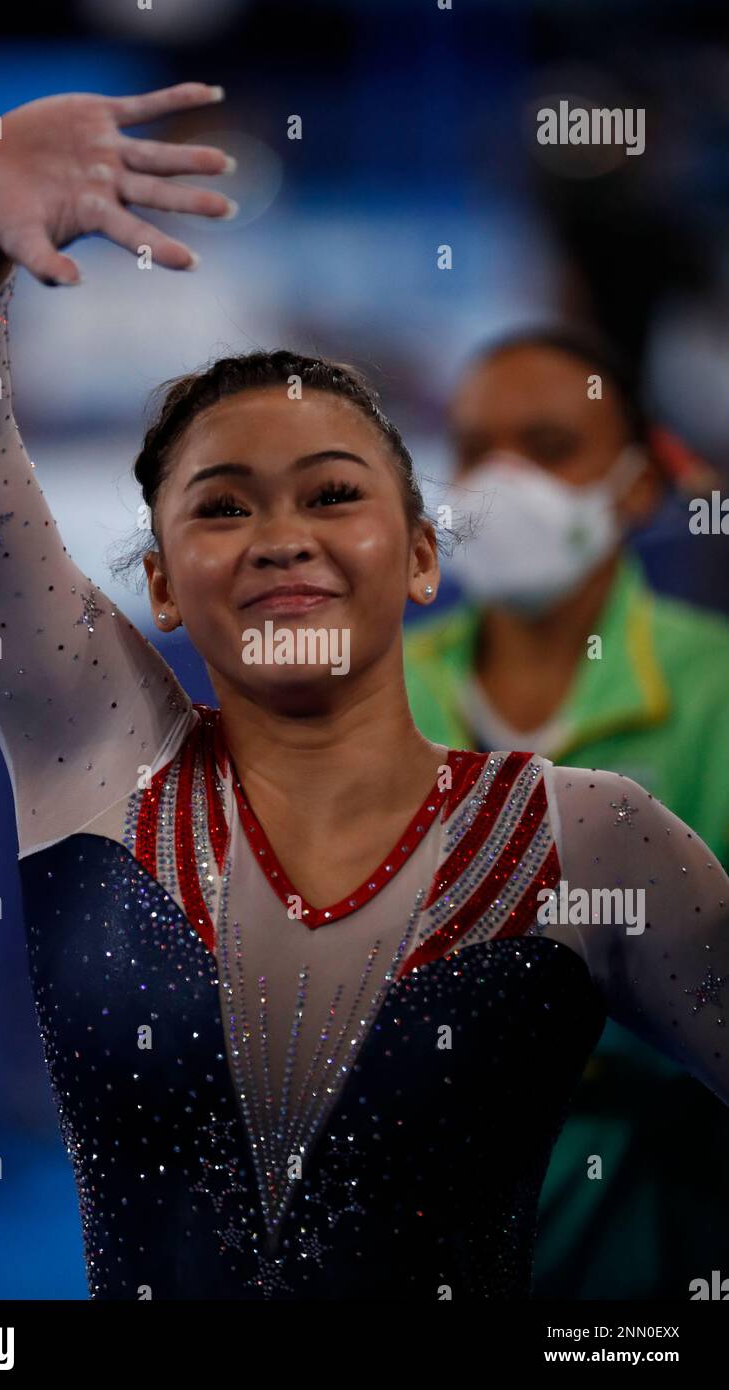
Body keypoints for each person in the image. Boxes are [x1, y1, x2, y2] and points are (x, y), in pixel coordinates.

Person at [0, 83, 728, 1302]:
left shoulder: (587, 839)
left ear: (422, 554)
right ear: (162, 586)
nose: (280, 536)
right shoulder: (105, 764)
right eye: (222, 505)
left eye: (332, 494)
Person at [403, 334, 729, 1296]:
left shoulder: (718, 687)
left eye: (547, 446)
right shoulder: (370, 691)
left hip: (662, 1238)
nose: (502, 482)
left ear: (636, 486)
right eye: (475, 450)